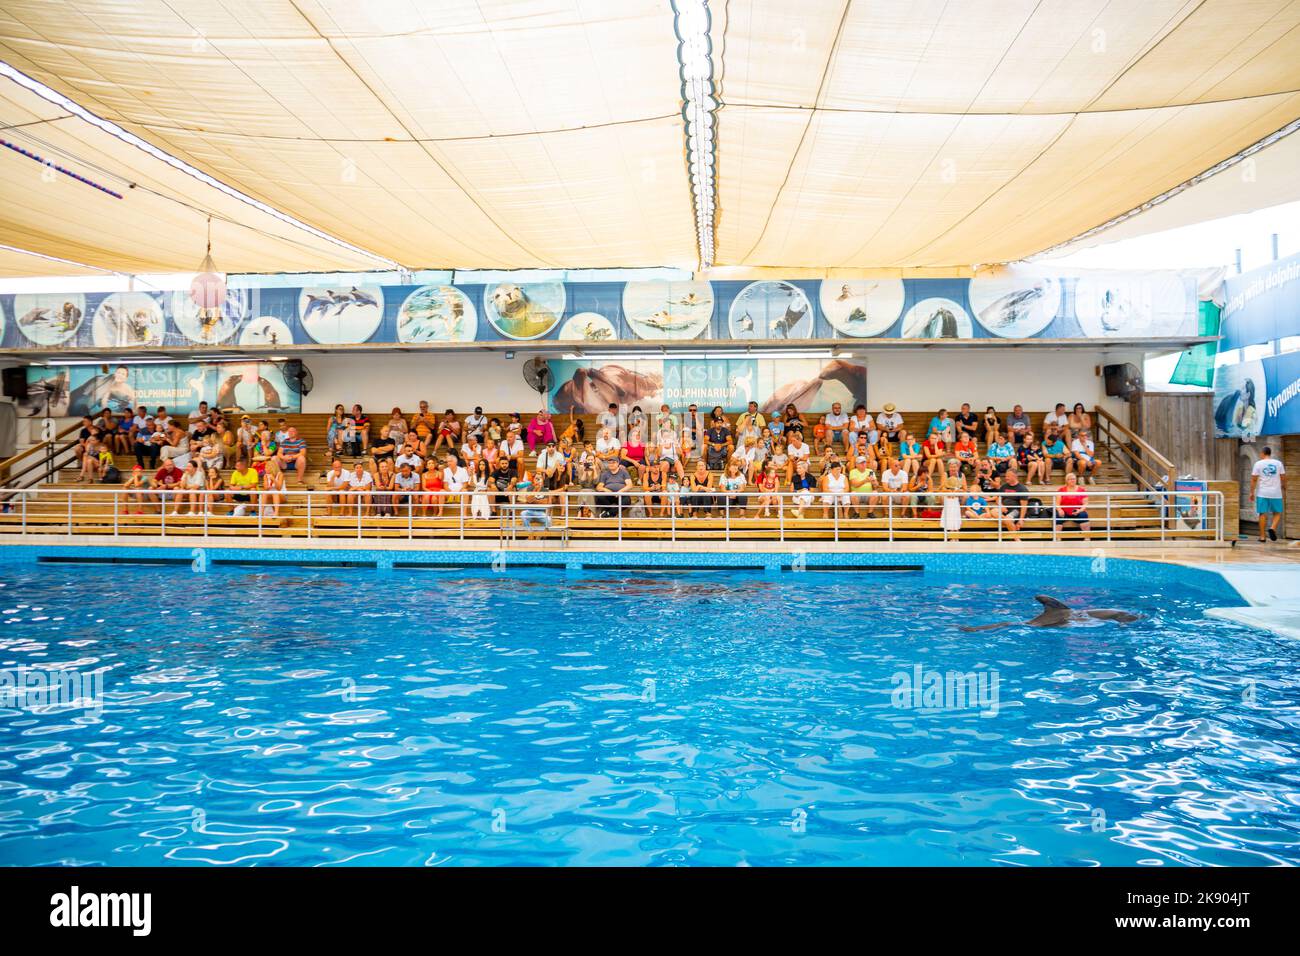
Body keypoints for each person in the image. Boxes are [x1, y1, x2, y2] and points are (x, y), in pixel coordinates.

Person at [1251, 446, 1287, 542]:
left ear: (1263, 453)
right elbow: (1283, 477)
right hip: (1276, 493)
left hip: (1262, 493)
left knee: (1262, 513)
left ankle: (1262, 537)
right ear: (1269, 453)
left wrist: (1251, 492)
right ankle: (1272, 528)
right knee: (1278, 512)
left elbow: (1254, 479)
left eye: (1260, 453)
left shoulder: (1258, 464)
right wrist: (1284, 487)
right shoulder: (1278, 463)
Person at [1053, 472, 1091, 538]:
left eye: (1074, 479)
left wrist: (1080, 510)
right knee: (1057, 517)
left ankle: (1087, 538)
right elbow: (1057, 503)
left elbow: (1085, 503)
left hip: (1077, 511)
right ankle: (1057, 538)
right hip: (1064, 511)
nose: (1072, 480)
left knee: (1084, 515)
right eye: (1070, 479)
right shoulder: (1061, 490)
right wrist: (1059, 510)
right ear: (1067, 481)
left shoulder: (1081, 490)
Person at [999, 468, 1031, 540]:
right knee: (993, 511)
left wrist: (1021, 519)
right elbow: (998, 498)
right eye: (1006, 476)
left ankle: (1016, 539)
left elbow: (1024, 506)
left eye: (1008, 476)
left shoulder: (1022, 489)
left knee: (1007, 520)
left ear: (1014, 476)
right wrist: (1001, 505)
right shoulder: (1004, 487)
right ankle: (1011, 524)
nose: (1006, 478)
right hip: (1004, 510)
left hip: (1015, 510)